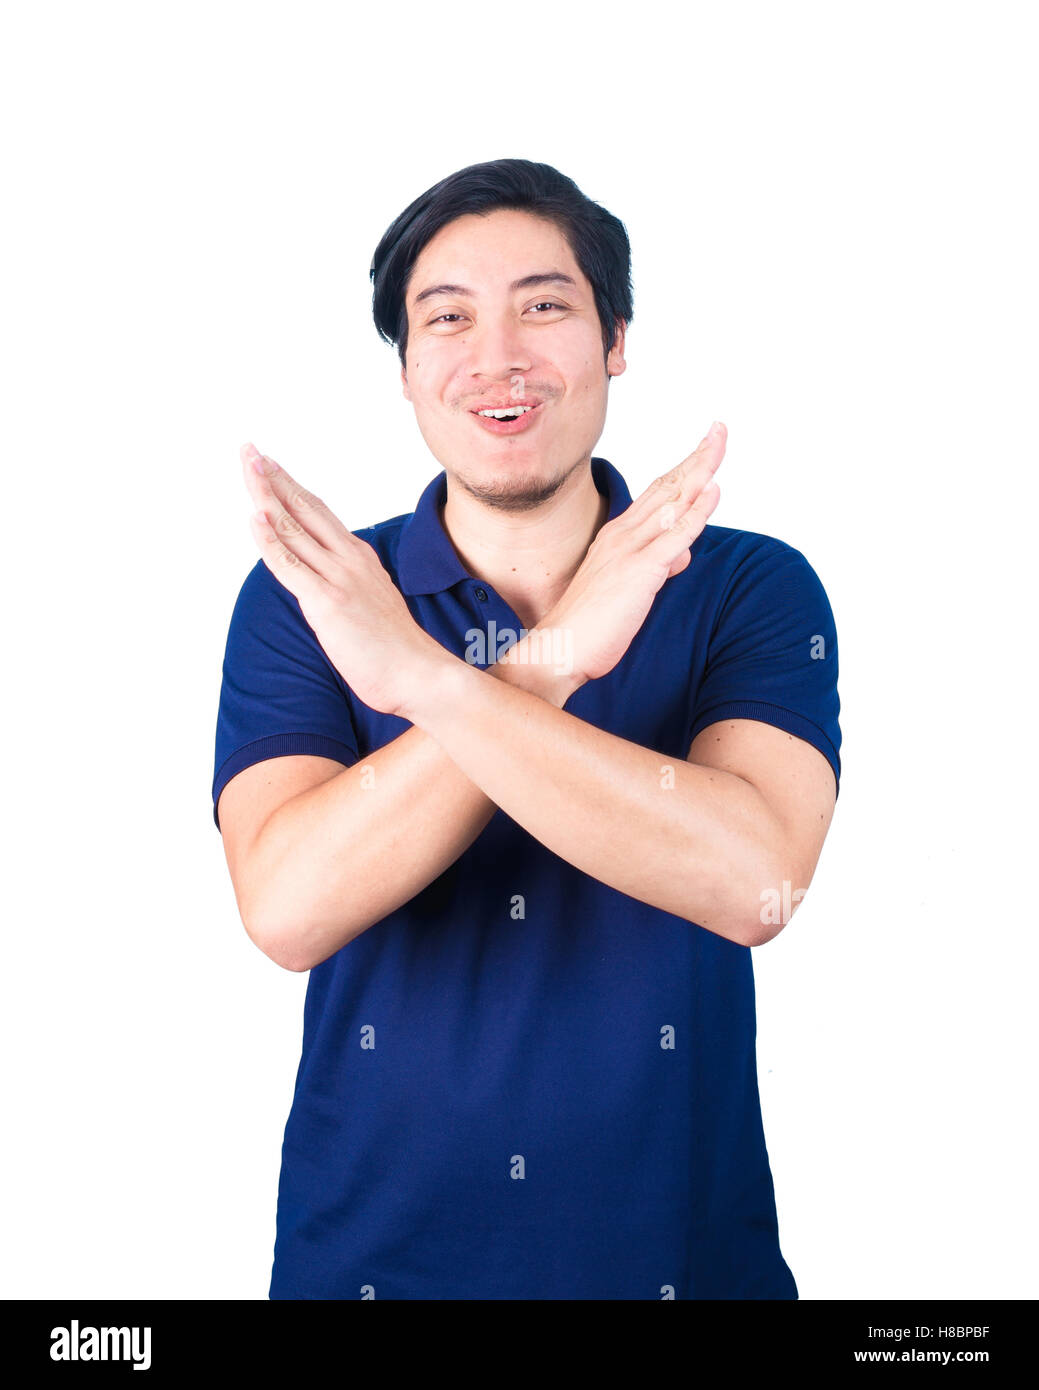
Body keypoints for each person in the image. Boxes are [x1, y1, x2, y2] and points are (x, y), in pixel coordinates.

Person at [211, 158, 841, 1300]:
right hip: (369, 1271)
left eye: (544, 306)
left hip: (682, 1270)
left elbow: (756, 885)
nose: (495, 357)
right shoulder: (320, 594)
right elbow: (289, 909)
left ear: (615, 340)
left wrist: (432, 683)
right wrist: (552, 666)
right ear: (405, 371)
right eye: (445, 318)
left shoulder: (747, 587)